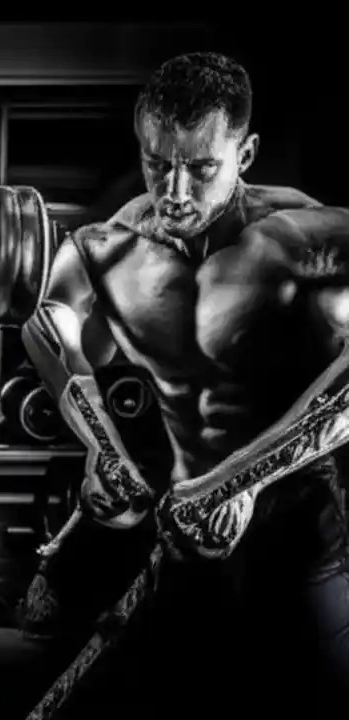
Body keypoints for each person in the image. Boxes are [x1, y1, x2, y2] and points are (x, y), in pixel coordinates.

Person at [22, 51, 349, 719]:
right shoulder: (105, 250)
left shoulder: (307, 239)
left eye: (201, 169)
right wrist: (102, 448)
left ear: (246, 152)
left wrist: (240, 479)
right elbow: (50, 336)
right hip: (181, 526)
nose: (174, 191)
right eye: (156, 163)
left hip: (296, 520)